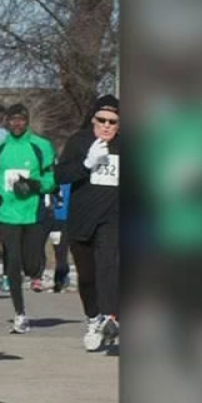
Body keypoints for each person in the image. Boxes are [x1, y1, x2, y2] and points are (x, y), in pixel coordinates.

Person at [56, 95, 122, 352]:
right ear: (93, 120)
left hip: (113, 217)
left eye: (113, 122)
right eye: (101, 120)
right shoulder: (79, 142)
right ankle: (93, 319)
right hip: (82, 220)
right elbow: (60, 175)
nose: (106, 126)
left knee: (109, 264)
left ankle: (109, 316)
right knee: (87, 277)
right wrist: (86, 164)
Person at [0, 104, 56, 334]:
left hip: (33, 214)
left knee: (31, 264)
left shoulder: (41, 146)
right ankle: (20, 313)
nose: (16, 124)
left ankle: (37, 270)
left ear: (27, 121)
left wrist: (36, 185)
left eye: (21, 120)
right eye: (12, 120)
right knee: (12, 264)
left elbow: (53, 179)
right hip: (7, 214)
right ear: (7, 122)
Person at [50, 180, 73, 293]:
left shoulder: (74, 179)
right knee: (60, 251)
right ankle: (60, 279)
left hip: (72, 218)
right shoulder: (53, 178)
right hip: (55, 219)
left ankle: (62, 277)